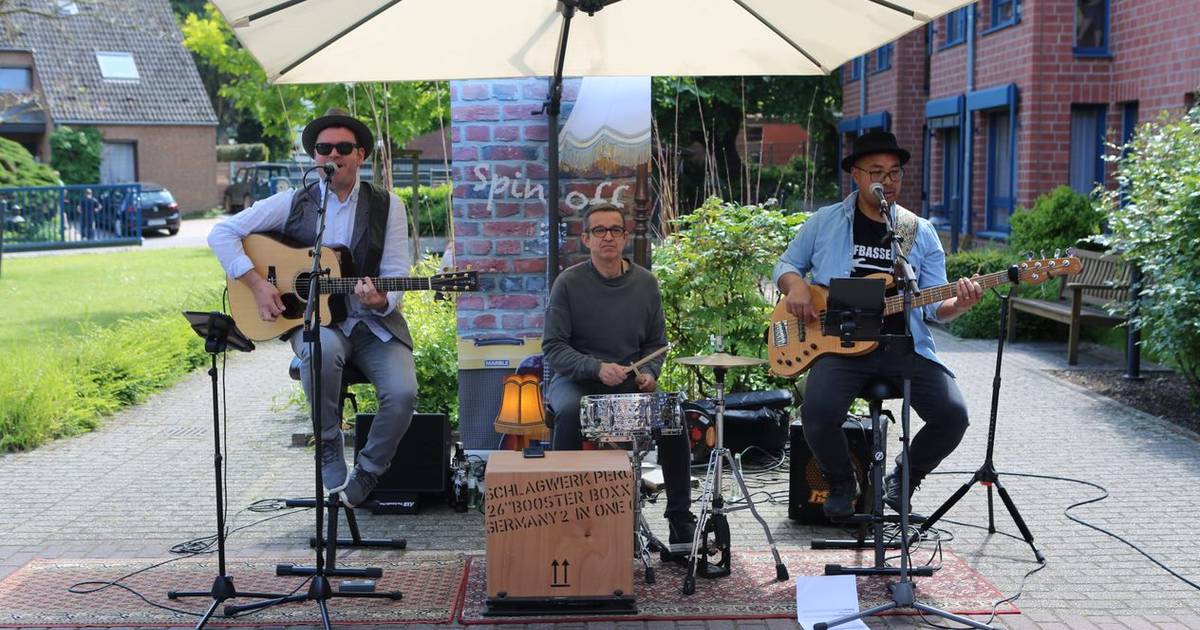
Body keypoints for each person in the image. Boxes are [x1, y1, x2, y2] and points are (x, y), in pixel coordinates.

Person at [208, 108, 416, 507]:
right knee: (321, 349)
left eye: (342, 148)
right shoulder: (293, 202)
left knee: (403, 393)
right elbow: (222, 232)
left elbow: (394, 272)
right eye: (324, 148)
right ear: (314, 157)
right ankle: (327, 442)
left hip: (371, 324)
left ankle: (370, 470)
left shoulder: (389, 206)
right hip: (317, 325)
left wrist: (382, 299)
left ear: (361, 155)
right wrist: (257, 285)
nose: (332, 155)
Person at [773, 130, 983, 520]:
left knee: (953, 416)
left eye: (894, 173)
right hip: (841, 343)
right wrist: (796, 285)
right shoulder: (825, 221)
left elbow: (935, 306)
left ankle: (903, 479)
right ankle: (841, 481)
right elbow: (785, 265)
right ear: (855, 174)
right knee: (816, 414)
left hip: (905, 346)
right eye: (876, 172)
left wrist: (962, 303)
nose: (887, 181)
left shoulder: (918, 231)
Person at [542, 202, 696, 555]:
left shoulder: (645, 283)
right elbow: (553, 347)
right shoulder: (568, 283)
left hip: (629, 379)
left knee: (673, 416)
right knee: (567, 413)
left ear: (625, 237)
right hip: (577, 381)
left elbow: (657, 344)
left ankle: (679, 518)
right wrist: (595, 368)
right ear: (586, 239)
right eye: (599, 231)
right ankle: (563, 514)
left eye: (615, 230)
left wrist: (650, 374)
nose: (608, 237)